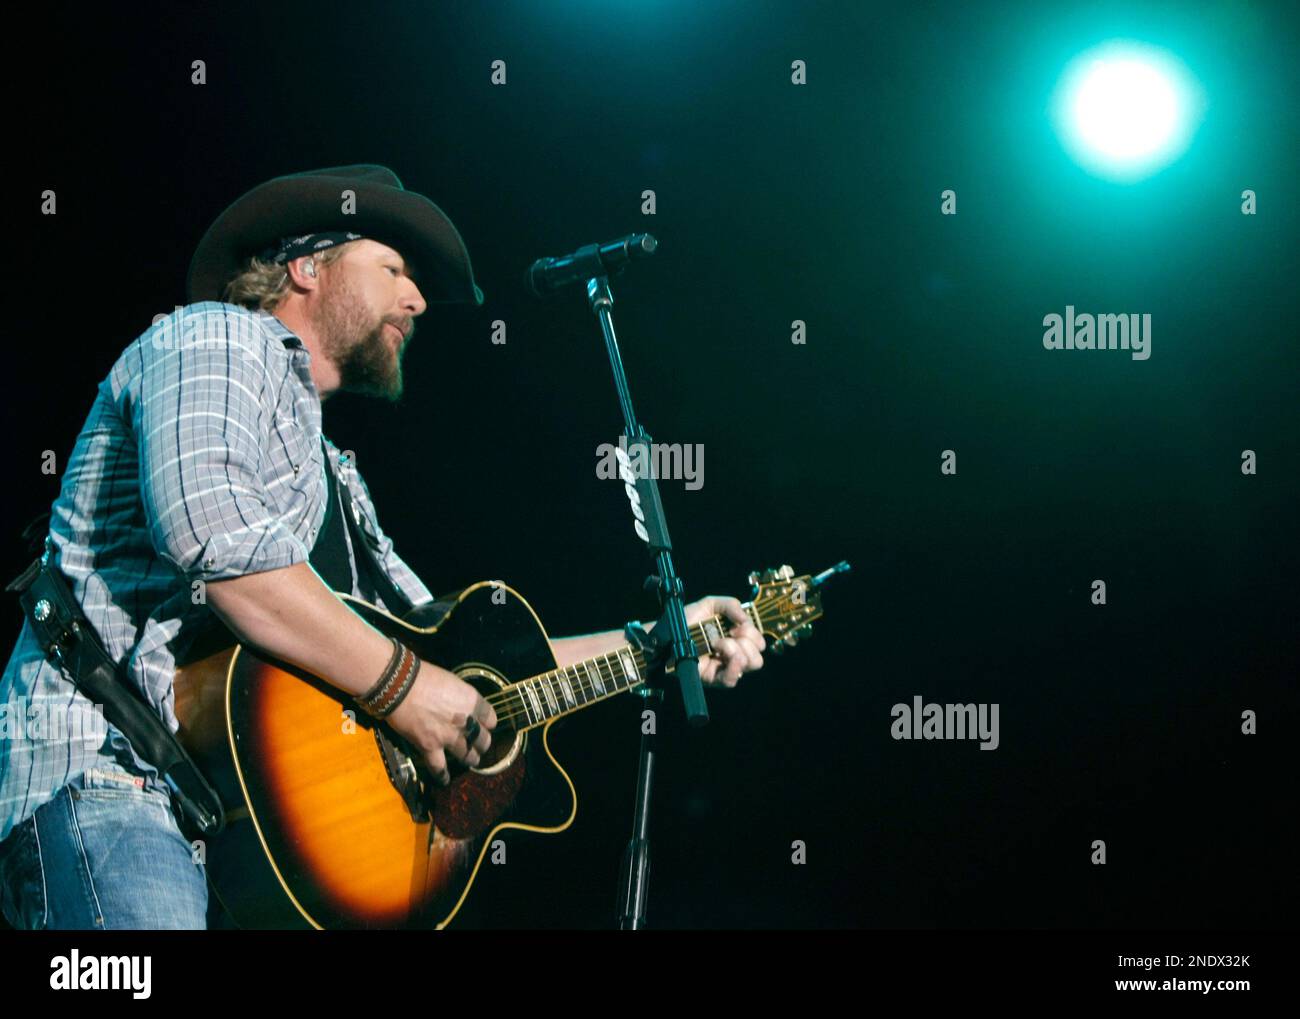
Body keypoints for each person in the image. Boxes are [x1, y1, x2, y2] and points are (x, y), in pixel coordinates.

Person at [0, 165, 765, 930]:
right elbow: (213, 539)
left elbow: (465, 668)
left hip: (242, 839)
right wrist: (405, 688)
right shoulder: (213, 335)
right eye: (393, 267)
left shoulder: (338, 478)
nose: (417, 298)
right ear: (305, 264)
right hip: (111, 778)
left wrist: (658, 640)